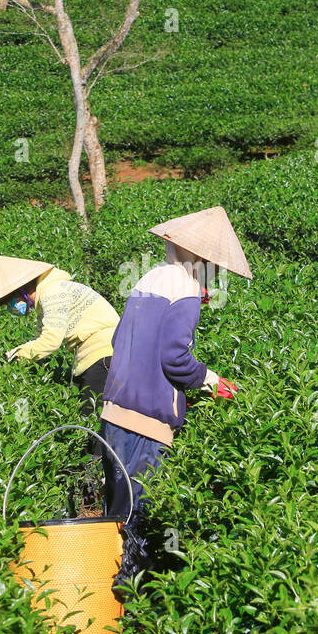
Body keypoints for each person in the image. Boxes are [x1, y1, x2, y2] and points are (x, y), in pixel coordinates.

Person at [99, 205, 251, 587]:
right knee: (141, 518)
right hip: (147, 420)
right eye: (216, 268)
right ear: (202, 260)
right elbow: (175, 358)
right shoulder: (185, 290)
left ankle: (102, 603)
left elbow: (120, 341)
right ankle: (135, 603)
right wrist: (211, 381)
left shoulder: (148, 280)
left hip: (114, 410)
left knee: (116, 512)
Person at [0, 256, 119, 428]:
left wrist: (10, 357)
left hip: (102, 353)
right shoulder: (45, 299)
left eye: (11, 301)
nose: (12, 306)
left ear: (22, 290)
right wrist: (12, 357)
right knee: (84, 416)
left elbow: (50, 342)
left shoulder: (53, 292)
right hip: (93, 354)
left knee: (91, 422)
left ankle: (98, 455)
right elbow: (38, 339)